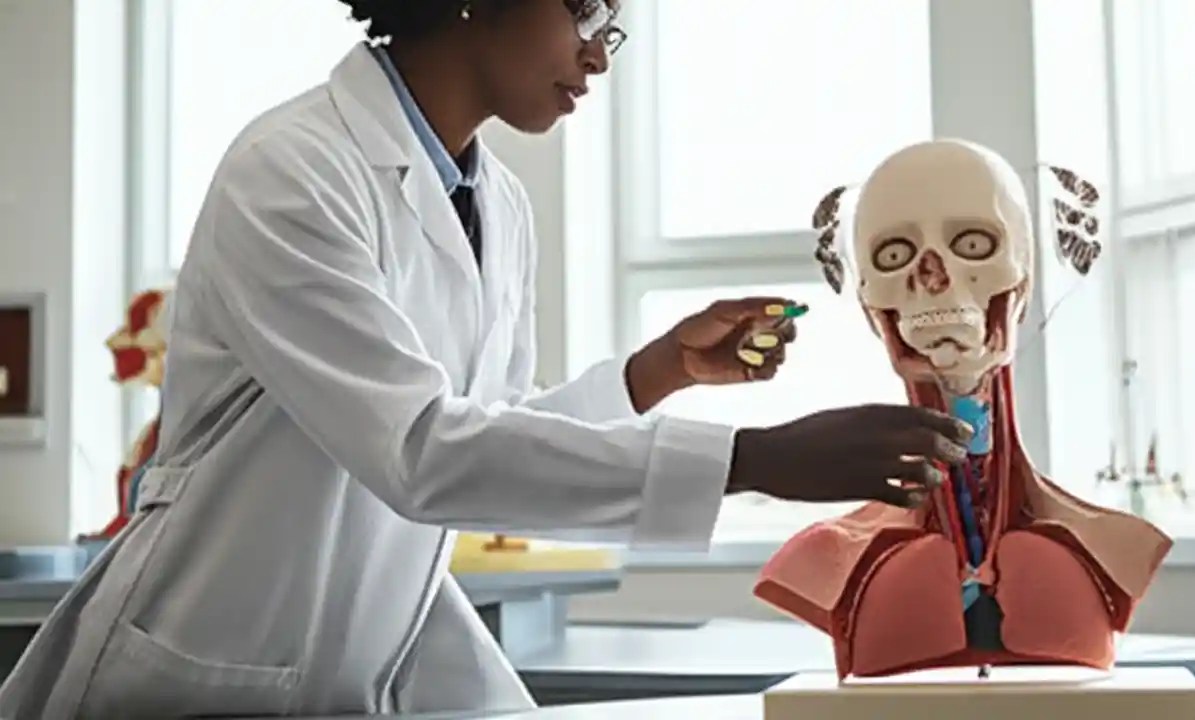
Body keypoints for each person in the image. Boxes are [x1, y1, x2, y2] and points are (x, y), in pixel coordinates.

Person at [0, 0, 971, 716]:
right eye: (583, 12)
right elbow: (421, 452)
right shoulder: (290, 172)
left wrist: (656, 373)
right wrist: (753, 461)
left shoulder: (496, 204)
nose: (597, 53)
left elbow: (493, 438)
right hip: (197, 666)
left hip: (356, 666)